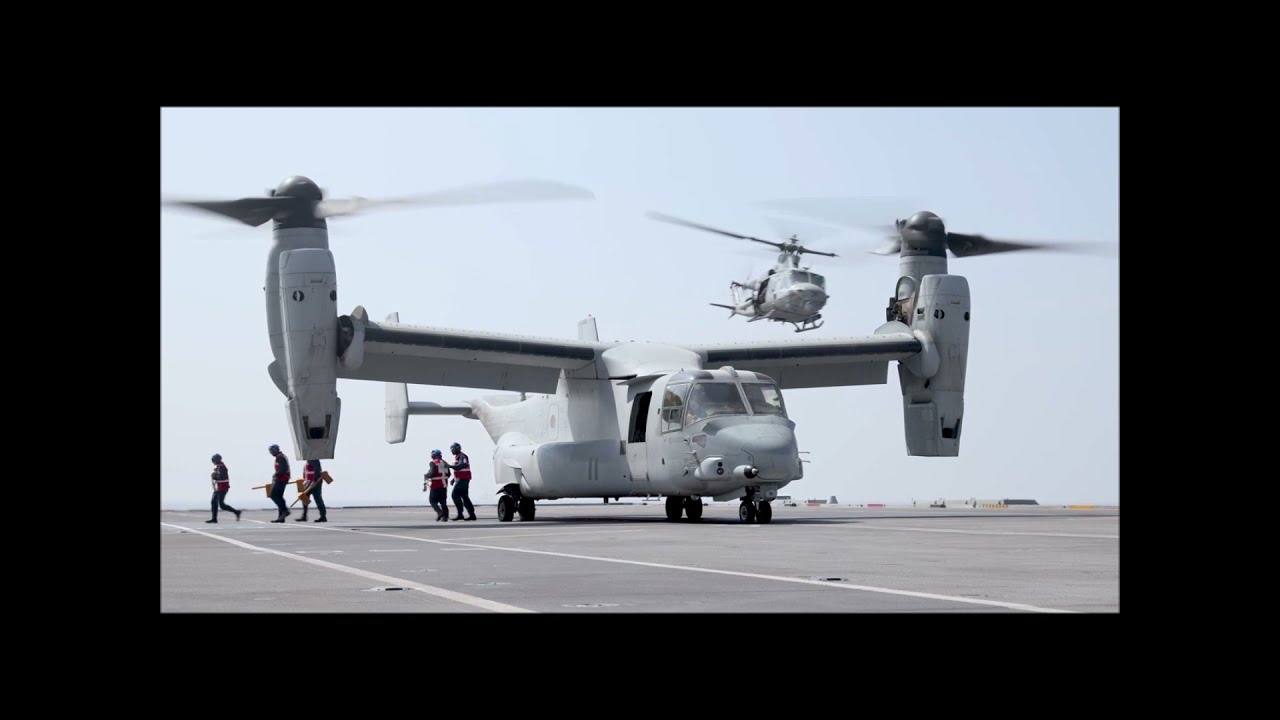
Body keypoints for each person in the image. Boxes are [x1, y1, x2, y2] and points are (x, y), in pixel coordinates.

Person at [446, 442, 476, 521]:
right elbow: (459, 470)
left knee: (455, 495)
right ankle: (471, 514)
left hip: (463, 480)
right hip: (460, 480)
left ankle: (460, 514)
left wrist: (450, 466)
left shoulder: (462, 457)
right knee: (464, 497)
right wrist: (453, 479)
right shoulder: (457, 457)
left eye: (452, 449)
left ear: (457, 448)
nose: (451, 451)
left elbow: (461, 466)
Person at [207, 453, 241, 523]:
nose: (213, 461)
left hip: (223, 488)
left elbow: (221, 477)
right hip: (219, 488)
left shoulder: (222, 467)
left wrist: (214, 476)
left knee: (221, 505)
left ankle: (236, 512)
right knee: (214, 502)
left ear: (216, 460)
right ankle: (214, 519)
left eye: (213, 460)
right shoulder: (219, 467)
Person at [424, 449, 451, 521]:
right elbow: (449, 474)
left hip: (436, 485)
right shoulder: (445, 462)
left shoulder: (433, 463)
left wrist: (426, 475)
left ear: (433, 455)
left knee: (432, 501)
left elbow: (432, 473)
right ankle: (445, 516)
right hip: (444, 485)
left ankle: (440, 513)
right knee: (443, 502)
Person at [268, 444, 292, 523]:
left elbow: (283, 469)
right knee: (279, 497)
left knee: (273, 495)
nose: (271, 453)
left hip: (281, 479)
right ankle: (281, 517)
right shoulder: (280, 457)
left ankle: (285, 511)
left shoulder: (280, 458)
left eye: (271, 451)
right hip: (282, 479)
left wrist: (276, 474)